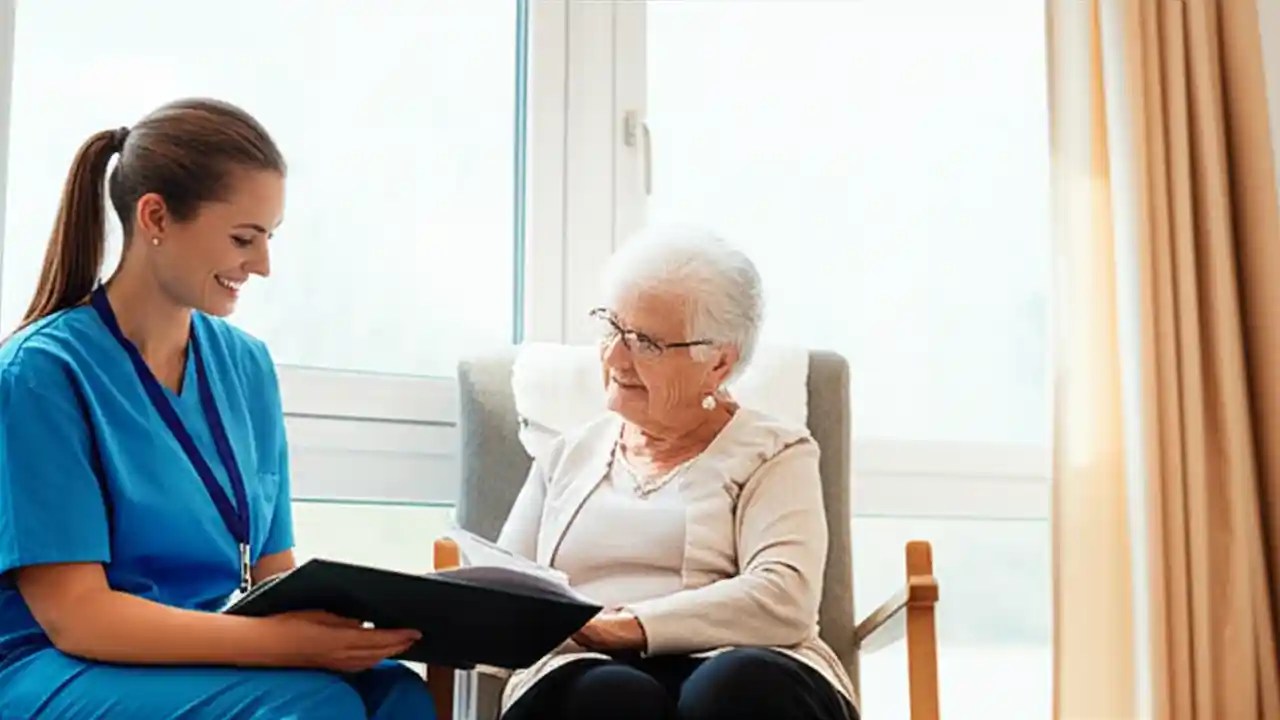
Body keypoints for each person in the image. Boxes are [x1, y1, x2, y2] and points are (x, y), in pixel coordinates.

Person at [0, 98, 435, 719]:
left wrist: (366, 623)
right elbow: (79, 618)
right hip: (58, 664)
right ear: (155, 216)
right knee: (315, 706)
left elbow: (272, 571)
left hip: (209, 649)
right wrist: (280, 646)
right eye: (242, 239)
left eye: (268, 239)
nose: (261, 265)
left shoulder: (247, 367)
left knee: (397, 692)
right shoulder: (41, 374)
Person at [495, 226, 858, 720]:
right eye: (613, 328)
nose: (616, 357)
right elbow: (502, 594)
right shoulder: (565, 456)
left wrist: (626, 625)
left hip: (744, 665)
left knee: (734, 687)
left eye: (645, 342)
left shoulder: (775, 451)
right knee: (607, 698)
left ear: (719, 362)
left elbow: (782, 597)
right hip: (585, 670)